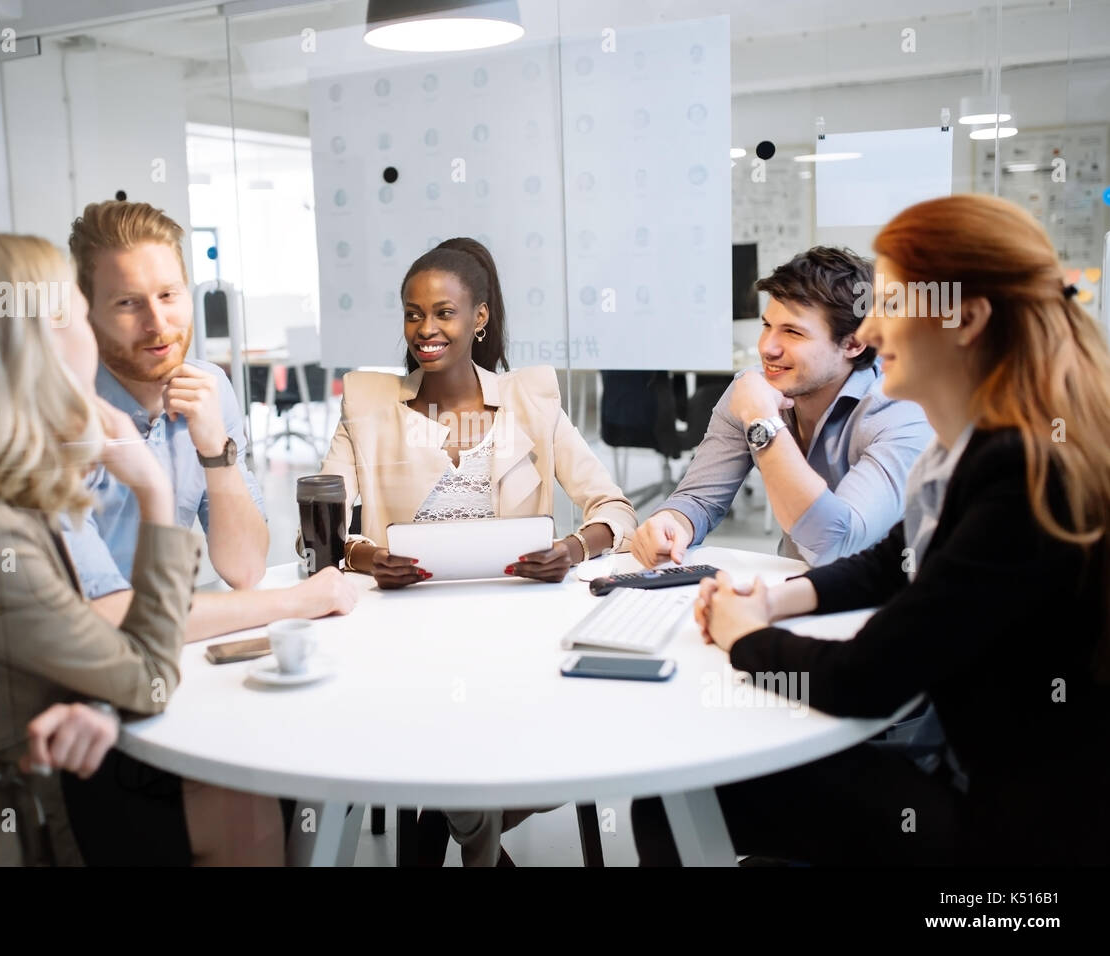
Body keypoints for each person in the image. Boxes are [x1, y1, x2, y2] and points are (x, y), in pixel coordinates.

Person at [632, 195, 1110, 866]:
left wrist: (748, 636)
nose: (874, 331)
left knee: (679, 799)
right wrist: (775, 600)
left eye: (890, 303)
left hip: (1014, 838)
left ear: (964, 319)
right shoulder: (985, 448)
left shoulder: (1021, 474)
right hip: (989, 787)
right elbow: (895, 560)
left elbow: (867, 676)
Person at [0, 234, 282, 866]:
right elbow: (145, 677)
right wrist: (149, 486)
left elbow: (30, 657)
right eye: (76, 313)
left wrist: (89, 701)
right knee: (240, 802)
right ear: (39, 345)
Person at [318, 237, 638, 864]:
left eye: (444, 312)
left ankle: (470, 832)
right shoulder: (368, 404)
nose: (426, 329)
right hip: (408, 634)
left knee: (471, 740)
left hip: (515, 629)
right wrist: (364, 557)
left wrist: (571, 549)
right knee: (439, 726)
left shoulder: (531, 400)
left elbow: (616, 511)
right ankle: (484, 847)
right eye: (413, 313)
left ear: (479, 318)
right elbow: (326, 529)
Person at [64, 200, 356, 638]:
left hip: (169, 649)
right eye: (128, 303)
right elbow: (106, 614)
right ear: (88, 313)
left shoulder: (209, 386)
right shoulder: (60, 418)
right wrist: (299, 601)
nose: (157, 323)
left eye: (168, 295)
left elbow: (245, 569)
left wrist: (215, 452)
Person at [631, 247, 932, 569]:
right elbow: (699, 499)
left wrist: (762, 421)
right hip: (793, 588)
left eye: (792, 332)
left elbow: (836, 544)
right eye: (767, 325)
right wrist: (673, 521)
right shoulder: (752, 391)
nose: (766, 348)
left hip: (888, 601)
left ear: (854, 343)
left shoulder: (902, 412)